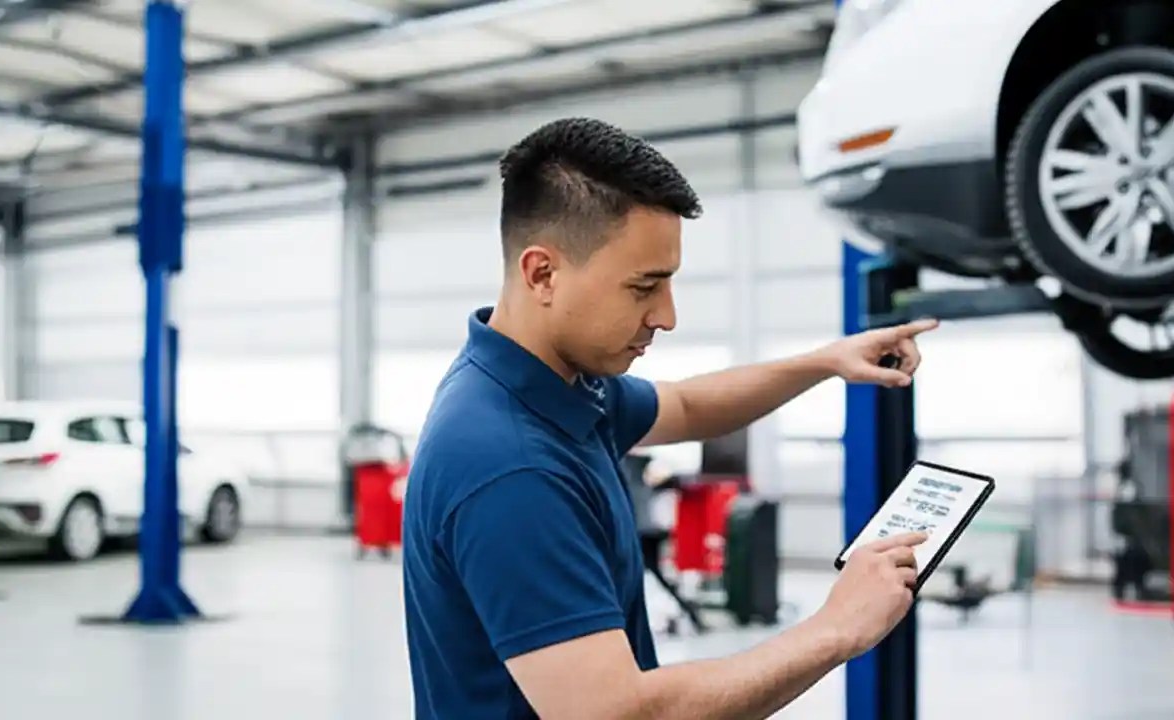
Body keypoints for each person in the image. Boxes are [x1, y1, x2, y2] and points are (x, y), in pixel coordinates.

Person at [402, 117, 939, 719]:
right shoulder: (508, 464)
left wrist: (825, 362)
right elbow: (619, 715)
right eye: (644, 287)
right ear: (542, 274)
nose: (667, 315)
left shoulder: (560, 384)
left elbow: (685, 404)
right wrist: (837, 629)